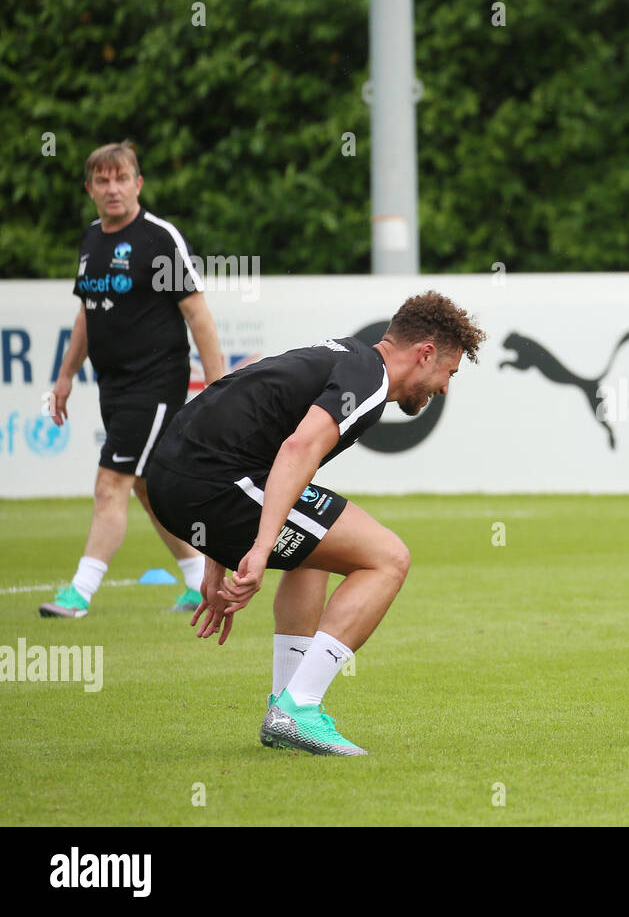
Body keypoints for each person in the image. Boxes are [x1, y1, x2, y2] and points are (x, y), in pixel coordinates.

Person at [145, 292, 485, 755]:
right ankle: (298, 708)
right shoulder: (368, 380)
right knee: (388, 558)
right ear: (425, 353)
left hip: (182, 477)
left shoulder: (346, 355)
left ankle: (283, 711)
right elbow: (297, 451)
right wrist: (259, 550)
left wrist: (216, 557)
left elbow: (237, 426)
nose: (445, 387)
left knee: (318, 551)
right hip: (210, 482)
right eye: (449, 372)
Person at [41, 141, 224, 619]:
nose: (113, 188)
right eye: (102, 180)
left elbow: (198, 316)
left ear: (138, 183)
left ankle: (79, 592)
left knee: (112, 481)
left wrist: (221, 387)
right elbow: (86, 314)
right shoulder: (90, 240)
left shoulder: (158, 239)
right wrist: (63, 377)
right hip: (112, 385)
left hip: (156, 382)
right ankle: (197, 579)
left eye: (122, 178)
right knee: (148, 486)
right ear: (89, 189)